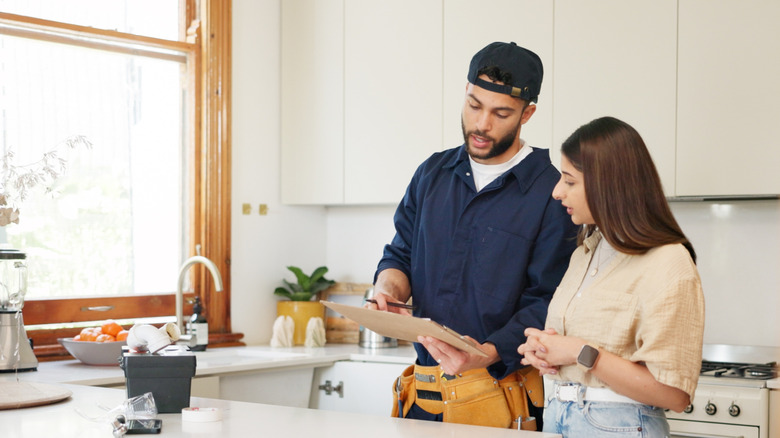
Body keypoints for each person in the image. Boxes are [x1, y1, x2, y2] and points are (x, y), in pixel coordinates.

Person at [369, 41, 579, 430]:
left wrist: (489, 352)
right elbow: (400, 255)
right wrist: (388, 291)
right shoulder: (431, 174)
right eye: (474, 105)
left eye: (501, 113)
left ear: (527, 113)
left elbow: (549, 299)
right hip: (423, 396)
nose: (482, 124)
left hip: (500, 399)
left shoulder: (551, 192)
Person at [517, 116, 706, 437]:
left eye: (570, 181)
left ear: (608, 185)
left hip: (619, 426)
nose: (557, 192)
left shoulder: (668, 261)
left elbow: (674, 395)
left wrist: (580, 351)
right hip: (557, 416)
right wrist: (545, 349)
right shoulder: (584, 252)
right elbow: (575, 351)